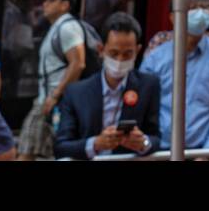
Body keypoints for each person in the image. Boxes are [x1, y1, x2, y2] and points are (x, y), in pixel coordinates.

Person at [55, 12, 160, 159]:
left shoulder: (149, 86)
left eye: (127, 54)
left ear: (137, 50)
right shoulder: (76, 92)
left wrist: (142, 142)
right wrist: (95, 144)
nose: (120, 60)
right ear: (101, 50)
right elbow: (62, 147)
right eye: (114, 53)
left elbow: (156, 138)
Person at [17, 0, 86, 160]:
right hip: (48, 99)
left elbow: (78, 64)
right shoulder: (57, 27)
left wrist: (56, 95)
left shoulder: (68, 28)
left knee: (28, 151)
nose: (44, 4)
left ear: (64, 5)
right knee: (36, 151)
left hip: (53, 101)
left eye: (50, 0)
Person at [140, 3, 209, 151]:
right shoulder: (155, 58)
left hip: (202, 151)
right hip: (160, 151)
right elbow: (142, 106)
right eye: (192, 7)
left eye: (203, 7)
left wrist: (207, 151)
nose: (199, 13)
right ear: (172, 17)